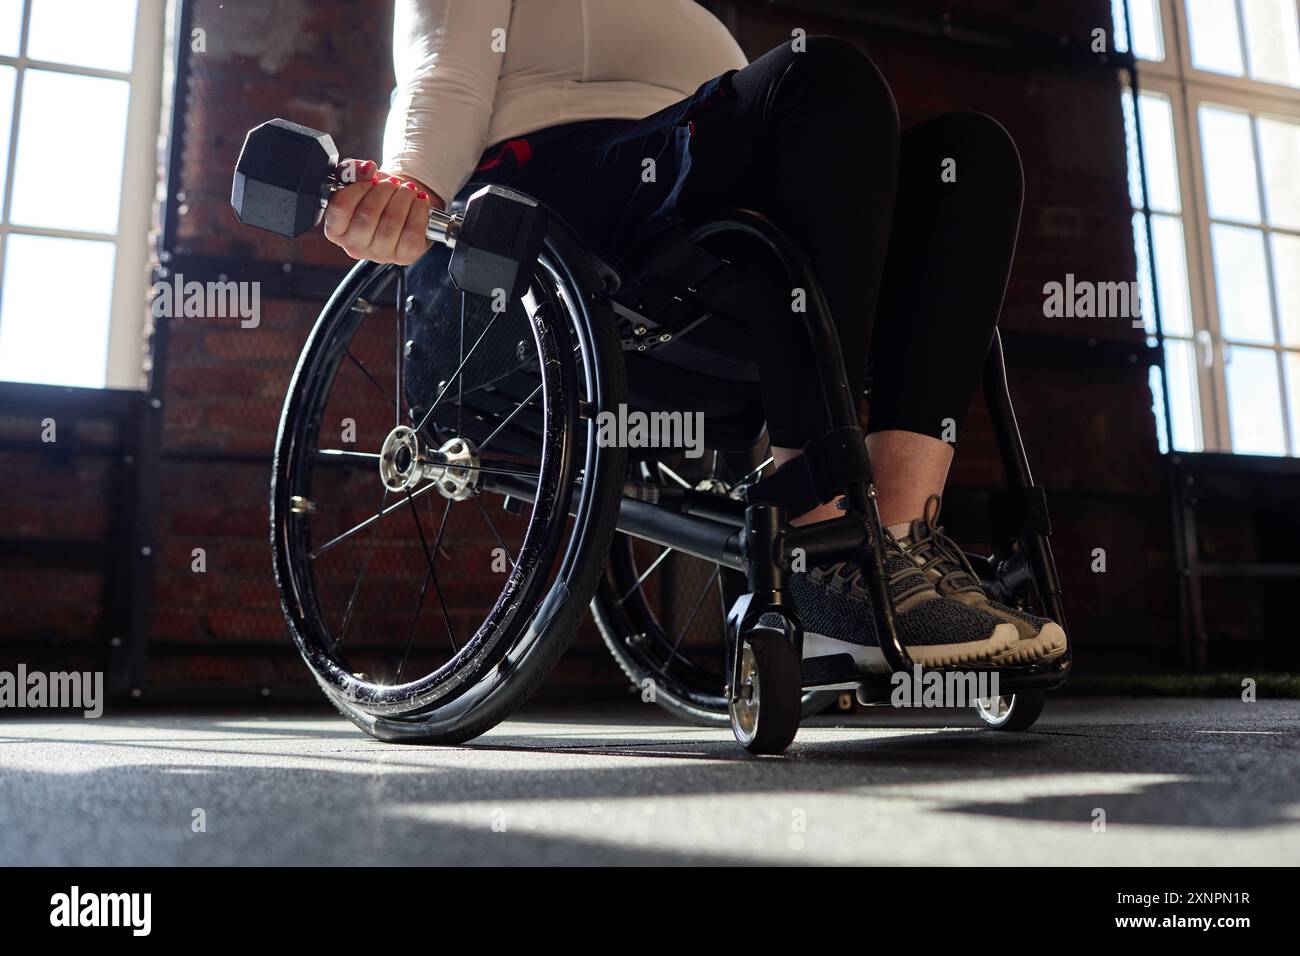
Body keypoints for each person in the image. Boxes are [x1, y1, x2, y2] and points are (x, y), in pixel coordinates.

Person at [322, 0, 1066, 671]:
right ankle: (818, 543)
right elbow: (442, 76)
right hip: (554, 195)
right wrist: (413, 181)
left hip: (698, 223)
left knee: (969, 158)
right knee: (823, 74)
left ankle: (888, 558)